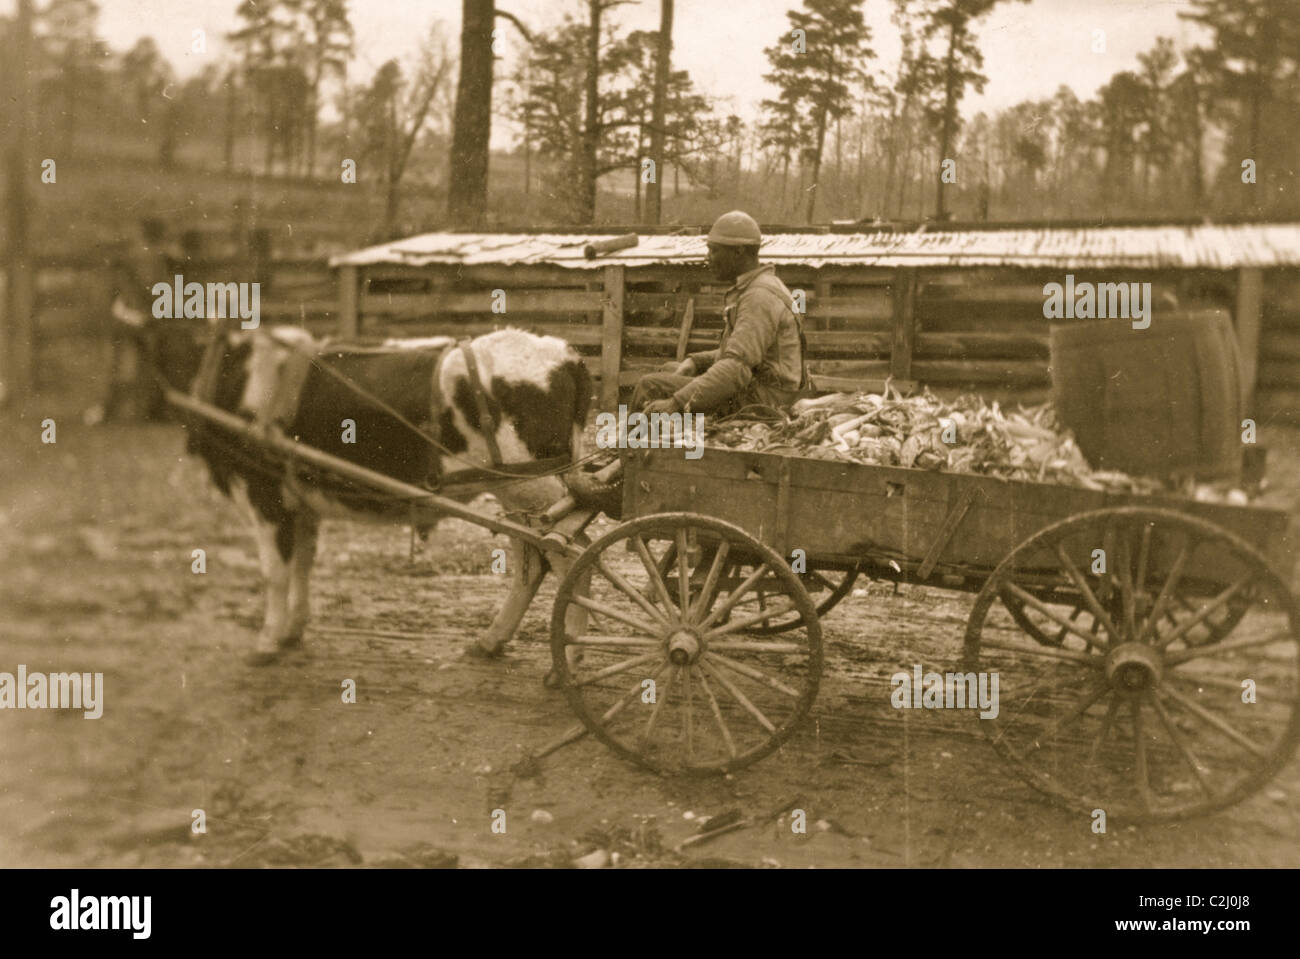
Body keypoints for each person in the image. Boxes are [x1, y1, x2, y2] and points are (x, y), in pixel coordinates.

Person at [631, 210, 808, 418]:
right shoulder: (759, 286)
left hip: (765, 401)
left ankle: (632, 449)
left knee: (650, 386)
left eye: (714, 251)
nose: (708, 258)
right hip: (762, 389)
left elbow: (736, 368)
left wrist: (676, 403)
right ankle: (664, 442)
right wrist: (696, 361)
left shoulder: (758, 297)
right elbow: (743, 354)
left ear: (738, 252)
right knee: (669, 369)